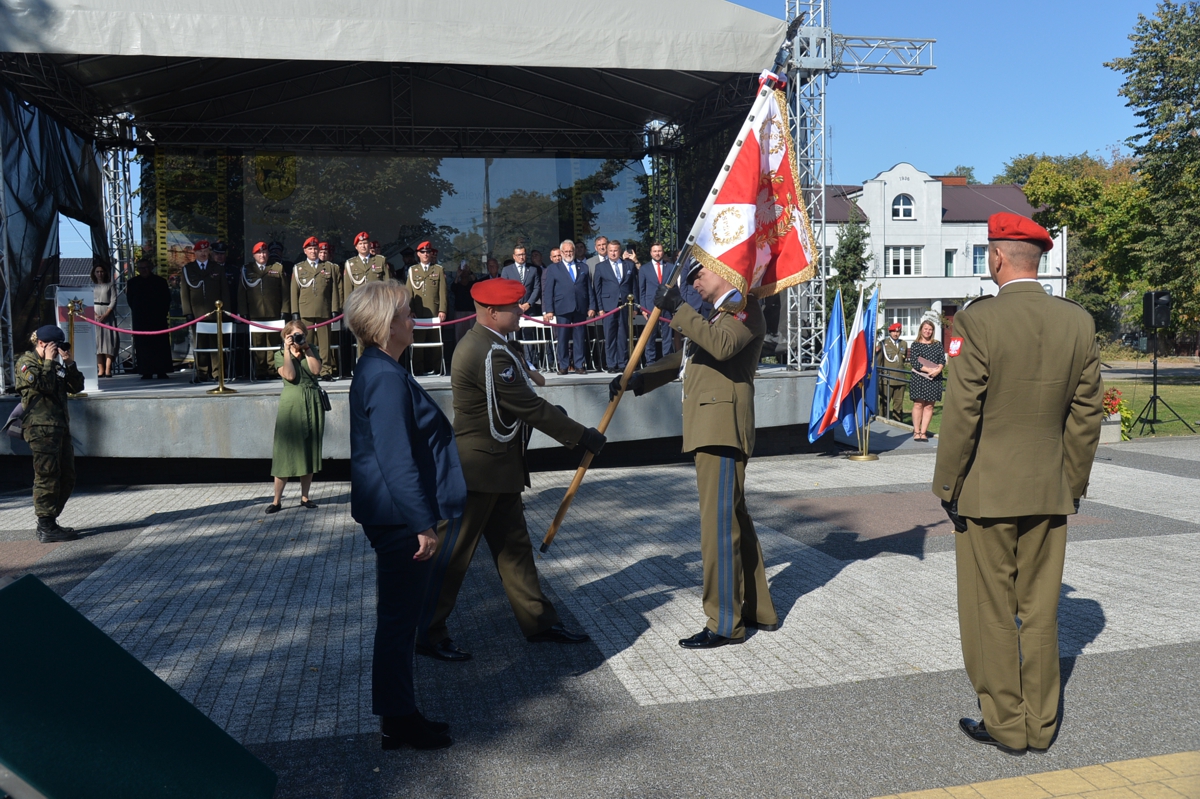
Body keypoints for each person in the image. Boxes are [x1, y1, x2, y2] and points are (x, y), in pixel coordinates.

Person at [934, 212, 1103, 755]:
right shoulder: (1077, 321)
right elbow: (1087, 414)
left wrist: (947, 486)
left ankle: (1006, 724)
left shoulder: (978, 320)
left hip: (986, 491)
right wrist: (1070, 483)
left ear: (998, 257)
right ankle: (1042, 724)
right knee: (1040, 609)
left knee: (990, 609)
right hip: (1049, 488)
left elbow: (963, 412)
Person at [417, 278, 603, 661]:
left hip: (497, 467)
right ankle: (425, 631)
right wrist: (581, 435)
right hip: (479, 472)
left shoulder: (493, 346)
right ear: (491, 312)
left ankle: (539, 621)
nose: (521, 312)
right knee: (451, 557)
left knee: (514, 550)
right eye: (514, 308)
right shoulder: (491, 354)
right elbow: (528, 406)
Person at [614, 261, 778, 649]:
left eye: (699, 275)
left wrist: (678, 308)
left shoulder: (744, 308)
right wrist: (640, 378)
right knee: (733, 520)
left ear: (723, 270)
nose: (694, 284)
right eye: (690, 280)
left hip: (722, 428)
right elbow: (689, 356)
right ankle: (758, 609)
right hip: (712, 426)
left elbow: (720, 347)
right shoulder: (717, 314)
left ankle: (724, 623)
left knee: (718, 528)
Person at [345, 279, 463, 750]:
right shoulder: (384, 375)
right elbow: (395, 459)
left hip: (392, 514)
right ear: (384, 325)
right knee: (398, 623)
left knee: (398, 620)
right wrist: (421, 525)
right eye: (406, 314)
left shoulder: (380, 367)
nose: (414, 320)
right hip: (398, 519)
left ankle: (400, 716)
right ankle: (398, 720)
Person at [17, 325, 85, 543]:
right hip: (40, 428)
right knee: (47, 475)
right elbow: (44, 386)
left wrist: (69, 363)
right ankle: (46, 524)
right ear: (41, 343)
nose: (57, 350)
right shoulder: (26, 363)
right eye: (55, 346)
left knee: (67, 476)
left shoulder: (54, 365)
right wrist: (48, 360)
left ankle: (49, 521)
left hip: (59, 427)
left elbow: (76, 386)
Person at [266, 320, 325, 513]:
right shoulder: (279, 354)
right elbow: (290, 376)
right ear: (286, 336)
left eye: (301, 335)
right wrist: (287, 350)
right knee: (284, 451)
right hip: (291, 405)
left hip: (312, 402)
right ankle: (277, 500)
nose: (298, 338)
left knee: (308, 450)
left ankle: (305, 497)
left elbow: (316, 371)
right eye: (293, 335)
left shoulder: (311, 349)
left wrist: (306, 348)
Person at [289, 236, 340, 381]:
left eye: (315, 248)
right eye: (310, 249)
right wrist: (295, 311)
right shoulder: (299, 268)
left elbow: (334, 290)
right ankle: (308, 369)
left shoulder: (328, 267)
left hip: (324, 308)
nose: (313, 251)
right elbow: (294, 291)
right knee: (306, 342)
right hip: (305, 309)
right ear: (305, 251)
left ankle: (325, 370)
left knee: (325, 343)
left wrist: (334, 308)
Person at [180, 239, 231, 383]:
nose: (203, 254)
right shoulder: (188, 269)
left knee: (216, 344)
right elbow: (184, 293)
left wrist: (226, 311)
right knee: (200, 344)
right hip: (197, 314)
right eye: (200, 251)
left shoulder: (217, 268)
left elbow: (224, 291)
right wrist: (188, 312)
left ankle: (217, 373)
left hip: (215, 312)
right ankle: (201, 372)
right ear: (195, 253)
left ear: (209, 252)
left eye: (205, 251)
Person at [542, 239, 595, 375]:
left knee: (579, 337)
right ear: (561, 252)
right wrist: (549, 310)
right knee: (562, 338)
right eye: (565, 251)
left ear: (574, 251)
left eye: (570, 251)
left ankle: (579, 365)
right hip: (562, 307)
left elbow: (589, 289)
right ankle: (563, 365)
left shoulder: (583, 267)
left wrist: (591, 306)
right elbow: (548, 291)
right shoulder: (553, 268)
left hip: (580, 307)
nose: (568, 253)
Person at [239, 241, 291, 379]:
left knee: (273, 343)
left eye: (264, 252)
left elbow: (285, 291)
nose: (262, 255)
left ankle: (273, 370)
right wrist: (243, 312)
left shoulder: (277, 267)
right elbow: (241, 293)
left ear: (268, 254)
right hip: (255, 313)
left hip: (273, 311)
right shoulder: (247, 269)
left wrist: (285, 309)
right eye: (259, 253)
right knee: (258, 343)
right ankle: (260, 370)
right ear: (254, 255)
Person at [593, 239, 637, 372]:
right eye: (610, 251)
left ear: (620, 251)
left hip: (625, 305)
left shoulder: (629, 265)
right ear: (607, 251)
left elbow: (634, 287)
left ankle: (622, 363)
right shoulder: (600, 267)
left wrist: (635, 307)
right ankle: (611, 364)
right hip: (608, 306)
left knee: (623, 335)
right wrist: (600, 308)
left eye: (615, 250)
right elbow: (597, 289)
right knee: (610, 335)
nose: (613, 253)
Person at [406, 241, 448, 375]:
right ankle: (418, 369)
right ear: (418, 254)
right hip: (418, 313)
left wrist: (442, 309)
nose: (425, 254)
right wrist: (410, 310)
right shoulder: (413, 270)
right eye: (422, 252)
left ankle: (437, 368)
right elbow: (409, 292)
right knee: (418, 342)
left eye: (428, 252)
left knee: (436, 342)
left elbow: (443, 292)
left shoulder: (438, 269)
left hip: (434, 312)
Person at [126, 258, 173, 379]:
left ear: (151, 268)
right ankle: (146, 370)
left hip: (158, 318)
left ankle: (162, 370)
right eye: (141, 268)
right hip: (141, 319)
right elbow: (130, 300)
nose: (144, 270)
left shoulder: (160, 282)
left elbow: (166, 299)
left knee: (160, 345)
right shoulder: (132, 283)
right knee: (143, 346)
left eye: (146, 267)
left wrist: (162, 313)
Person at [636, 242, 675, 364]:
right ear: (650, 253)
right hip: (650, 306)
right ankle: (650, 361)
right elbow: (641, 290)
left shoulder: (670, 267)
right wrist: (643, 308)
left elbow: (674, 289)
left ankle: (667, 360)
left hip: (667, 306)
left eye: (659, 251)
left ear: (662, 252)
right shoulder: (644, 269)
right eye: (655, 251)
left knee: (667, 334)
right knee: (650, 335)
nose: (657, 253)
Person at [909, 319, 945, 441]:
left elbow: (942, 360)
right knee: (918, 404)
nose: (927, 331)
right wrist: (929, 370)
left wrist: (938, 370)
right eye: (925, 329)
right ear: (921, 330)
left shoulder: (937, 344)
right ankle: (916, 431)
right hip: (919, 378)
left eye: (930, 329)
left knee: (929, 406)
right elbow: (914, 362)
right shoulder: (915, 344)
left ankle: (923, 432)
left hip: (935, 378)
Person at [90, 263, 119, 378]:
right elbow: (87, 301)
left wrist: (106, 314)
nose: (99, 274)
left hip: (108, 314)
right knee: (97, 342)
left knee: (109, 342)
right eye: (97, 272)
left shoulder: (110, 285)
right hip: (95, 314)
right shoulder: (91, 286)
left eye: (101, 271)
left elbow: (114, 300)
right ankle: (100, 369)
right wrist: (95, 314)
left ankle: (108, 369)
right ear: (94, 274)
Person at [877, 322, 908, 422]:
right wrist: (879, 377)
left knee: (898, 404)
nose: (896, 334)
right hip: (887, 378)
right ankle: (882, 423)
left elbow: (902, 360)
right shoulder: (883, 343)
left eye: (898, 332)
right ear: (889, 332)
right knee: (884, 404)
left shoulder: (903, 344)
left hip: (900, 379)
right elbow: (879, 361)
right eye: (893, 331)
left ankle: (898, 423)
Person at [500, 245, 540, 317]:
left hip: (529, 310)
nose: (521, 257)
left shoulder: (533, 269)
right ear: (514, 256)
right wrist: (515, 304)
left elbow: (536, 288)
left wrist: (529, 303)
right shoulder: (507, 270)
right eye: (519, 255)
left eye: (523, 254)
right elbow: (504, 289)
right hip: (512, 309)